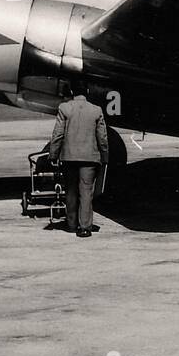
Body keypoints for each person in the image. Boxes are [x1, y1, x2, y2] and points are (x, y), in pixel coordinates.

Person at [49, 78, 109, 238]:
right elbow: (102, 137)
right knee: (86, 191)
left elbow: (58, 134)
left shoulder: (64, 108)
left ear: (71, 92)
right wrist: (105, 156)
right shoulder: (96, 110)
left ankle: (70, 223)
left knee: (70, 191)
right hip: (90, 157)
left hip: (69, 157)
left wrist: (53, 154)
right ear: (87, 91)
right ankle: (85, 227)